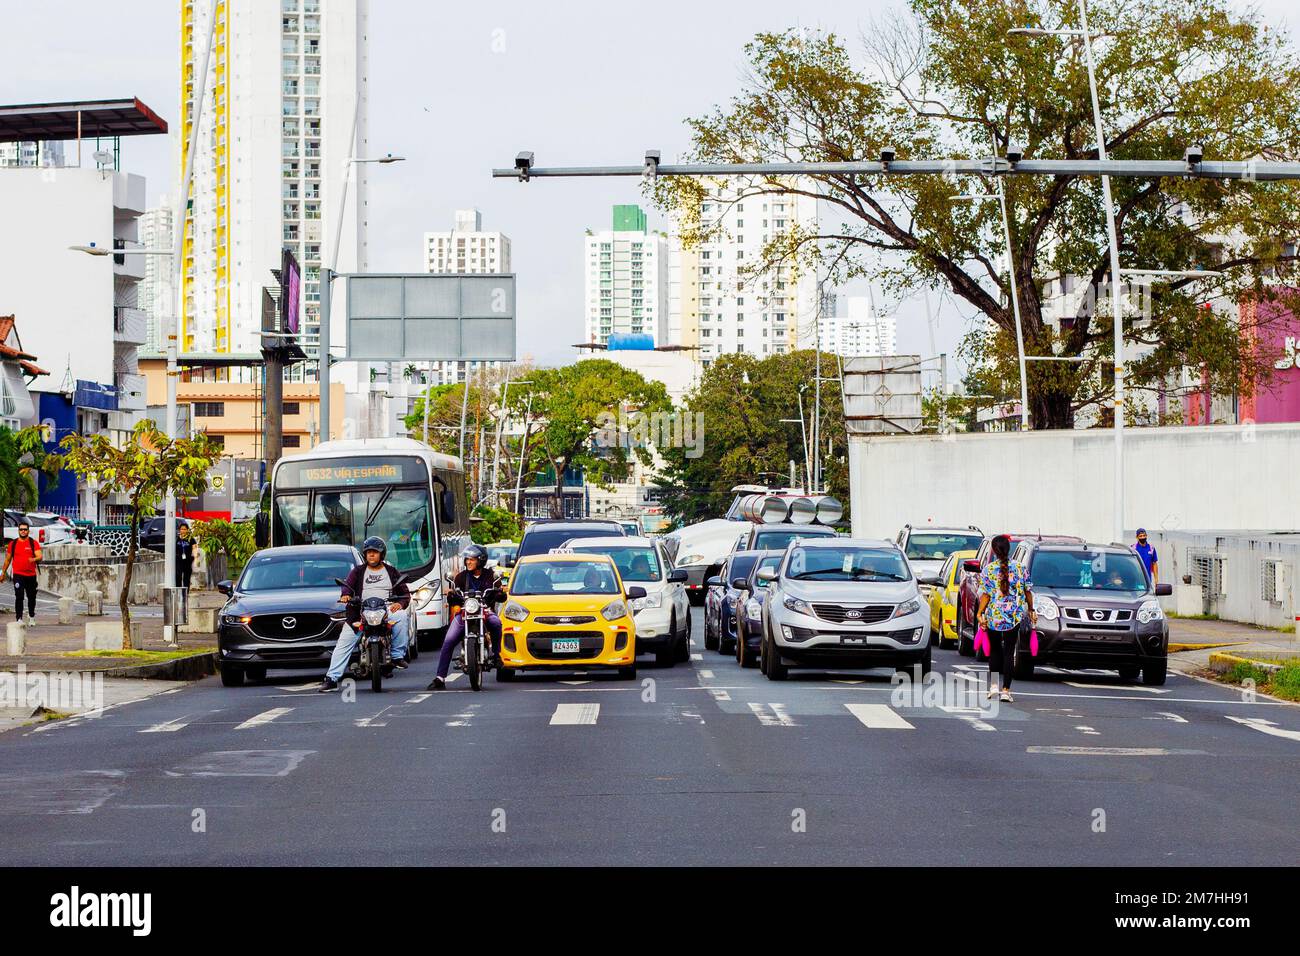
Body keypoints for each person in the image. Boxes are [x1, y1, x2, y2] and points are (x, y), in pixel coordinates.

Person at [319, 536, 410, 692]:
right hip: (361, 611)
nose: (371, 555)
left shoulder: (391, 571)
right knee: (344, 642)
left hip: (385, 610)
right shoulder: (358, 571)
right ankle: (331, 678)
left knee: (402, 616)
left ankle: (396, 656)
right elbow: (347, 586)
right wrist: (346, 595)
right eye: (368, 552)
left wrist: (399, 603)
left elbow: (404, 593)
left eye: (375, 552)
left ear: (382, 554)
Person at [428, 544, 502, 690]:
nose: (468, 562)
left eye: (472, 559)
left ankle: (496, 654)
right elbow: (454, 597)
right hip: (465, 612)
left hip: (484, 610)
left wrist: (499, 592)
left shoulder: (490, 575)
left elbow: (499, 592)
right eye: (467, 559)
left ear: (481, 560)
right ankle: (440, 678)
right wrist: (451, 594)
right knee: (448, 640)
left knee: (496, 623)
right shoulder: (461, 577)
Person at [976, 534, 1037, 703]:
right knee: (1009, 652)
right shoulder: (1020, 568)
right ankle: (1006, 690)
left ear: (994, 551)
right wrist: (1031, 609)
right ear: (1008, 549)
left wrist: (980, 613)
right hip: (1013, 617)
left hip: (994, 617)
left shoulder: (988, 570)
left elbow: (986, 595)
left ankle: (993, 687)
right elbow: (1028, 592)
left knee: (995, 651)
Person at [1, 521, 42, 626]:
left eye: (25, 529)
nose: (23, 531)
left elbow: (39, 556)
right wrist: (2, 573)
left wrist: (33, 559)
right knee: (19, 596)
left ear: (28, 531)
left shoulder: (33, 543)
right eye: (21, 529)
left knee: (31, 597)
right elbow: (7, 560)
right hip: (18, 575)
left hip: (31, 575)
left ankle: (31, 616)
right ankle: (19, 618)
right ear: (18, 530)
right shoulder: (13, 544)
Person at [176, 523, 194, 591]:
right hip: (179, 561)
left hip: (188, 561)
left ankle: (186, 593)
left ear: (187, 530)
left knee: (186, 578)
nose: (183, 531)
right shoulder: (177, 539)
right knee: (178, 577)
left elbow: (194, 549)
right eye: (181, 529)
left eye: (184, 529)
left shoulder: (191, 539)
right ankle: (179, 592)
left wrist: (195, 559)